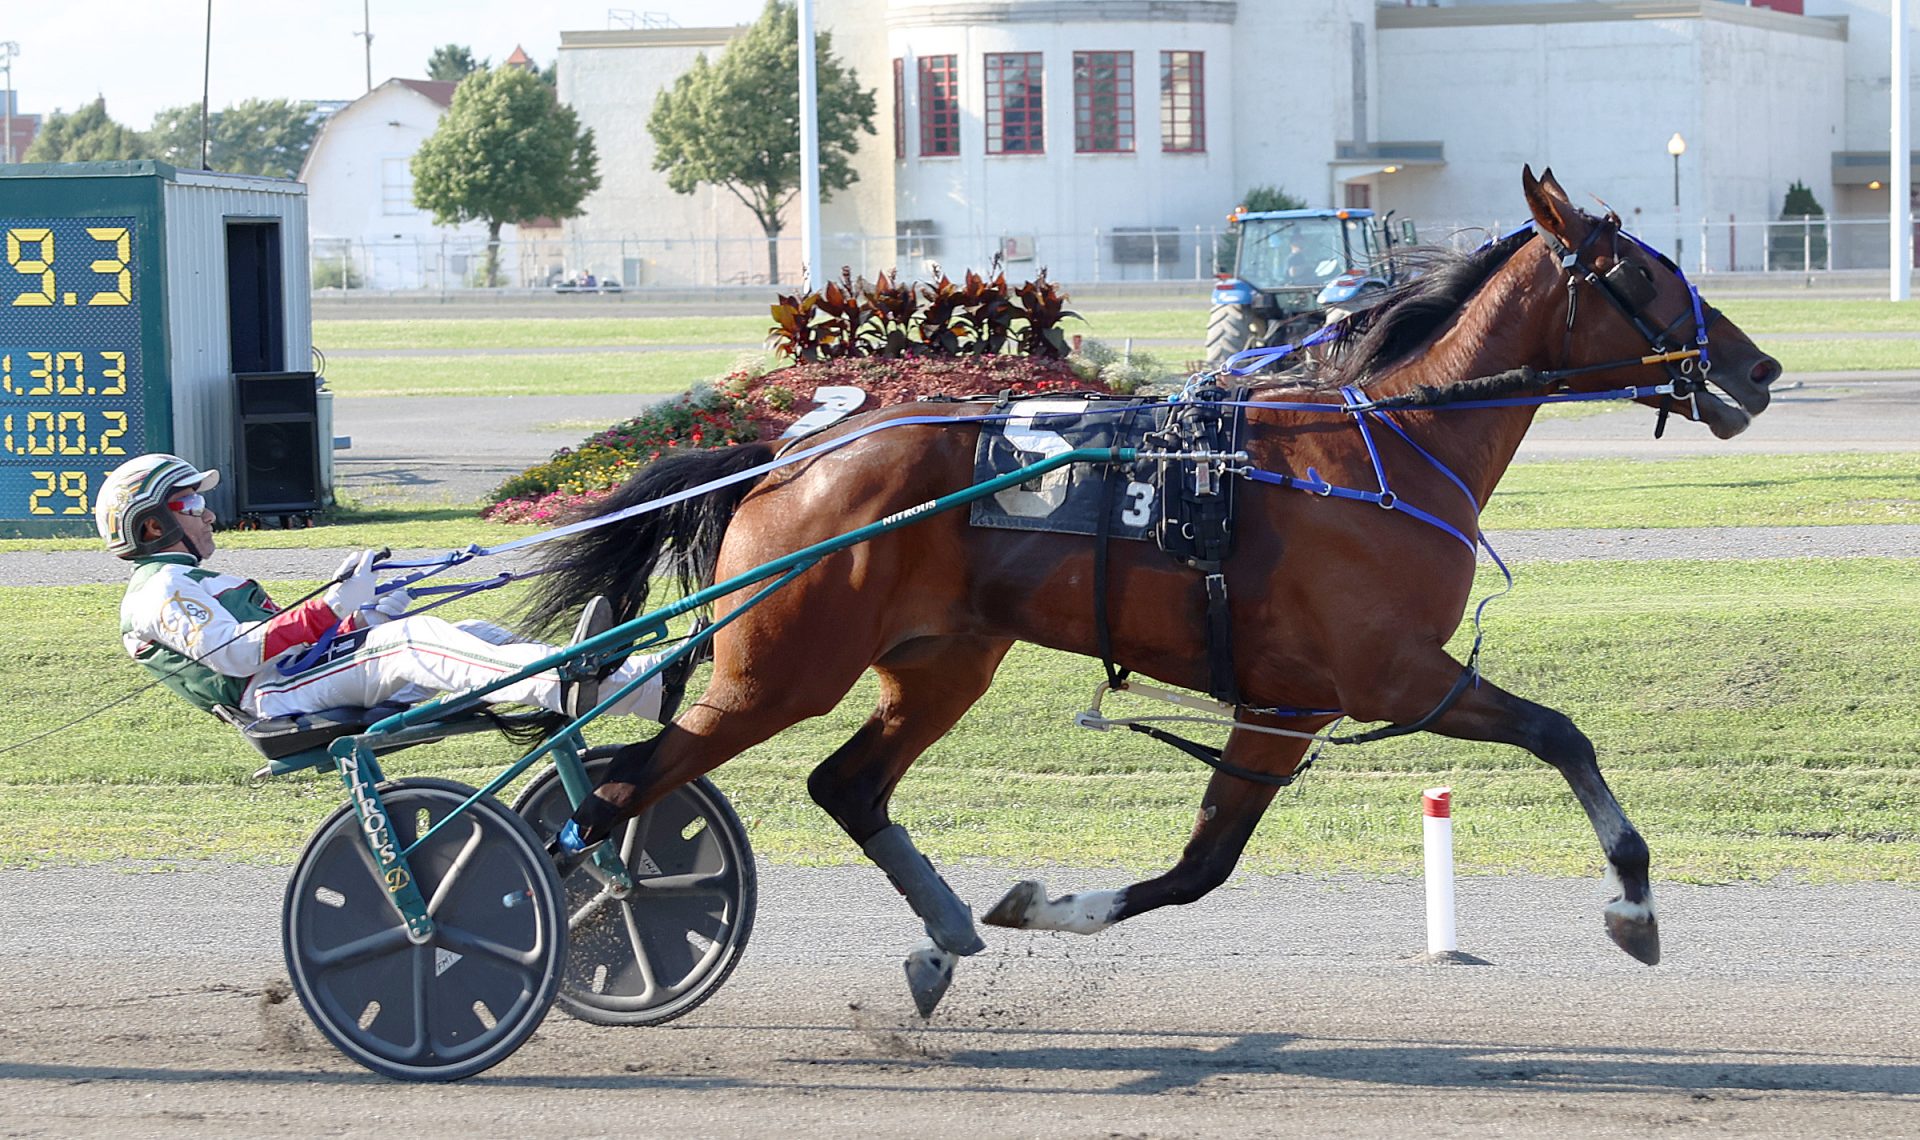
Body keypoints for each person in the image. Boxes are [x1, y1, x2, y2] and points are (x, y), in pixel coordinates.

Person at [97, 453, 691, 727]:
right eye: (193, 504)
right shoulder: (160, 590)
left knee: (471, 635)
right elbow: (238, 654)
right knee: (412, 642)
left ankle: (638, 688)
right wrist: (336, 602)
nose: (207, 516)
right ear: (154, 526)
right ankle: (565, 684)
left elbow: (290, 645)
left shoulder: (188, 579)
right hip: (273, 699)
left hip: (294, 677)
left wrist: (369, 607)